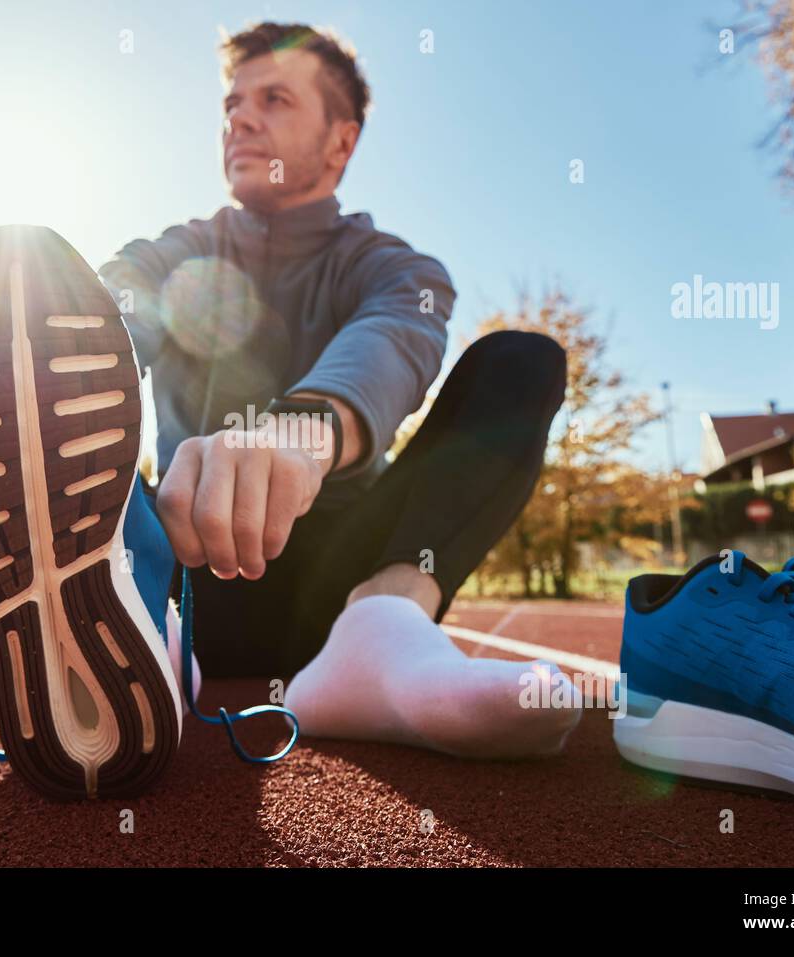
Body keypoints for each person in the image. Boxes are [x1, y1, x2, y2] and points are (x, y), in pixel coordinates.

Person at [98, 22, 581, 759]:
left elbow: (389, 344)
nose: (240, 118)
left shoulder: (396, 269)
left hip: (339, 585)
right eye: (233, 102)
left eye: (276, 98)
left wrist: (293, 436)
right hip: (186, 576)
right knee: (69, 349)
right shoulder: (179, 251)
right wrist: (61, 338)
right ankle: (133, 633)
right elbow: (112, 309)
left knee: (521, 360)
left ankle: (382, 633)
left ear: (340, 143)